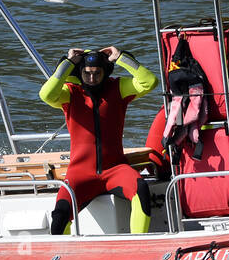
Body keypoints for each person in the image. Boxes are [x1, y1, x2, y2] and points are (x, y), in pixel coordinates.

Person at [40, 46, 158, 234]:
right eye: (87, 73)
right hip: (80, 174)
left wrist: (121, 57)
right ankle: (64, 257)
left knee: (141, 189)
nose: (92, 78)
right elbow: (45, 94)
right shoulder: (70, 93)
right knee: (60, 216)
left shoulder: (117, 88)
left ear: (105, 71)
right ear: (80, 73)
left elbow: (149, 82)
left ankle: (137, 245)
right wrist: (68, 63)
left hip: (115, 170)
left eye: (97, 73)